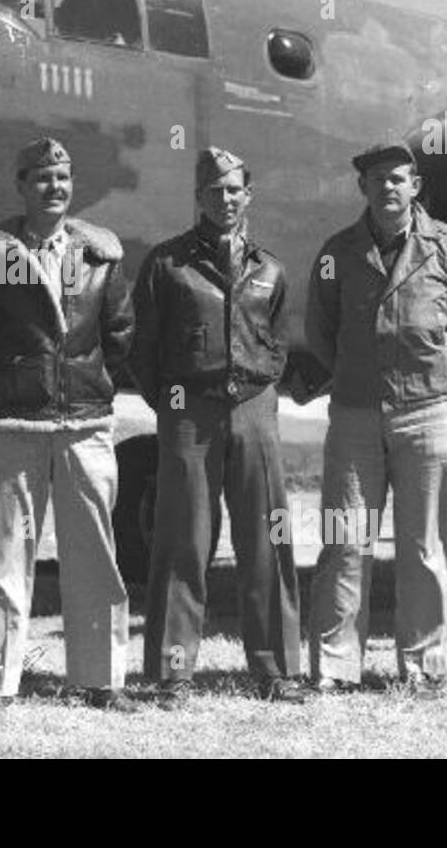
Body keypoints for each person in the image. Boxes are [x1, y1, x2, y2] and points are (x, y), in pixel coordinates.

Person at [306, 141, 447, 694]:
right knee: (344, 540)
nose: (388, 188)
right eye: (377, 180)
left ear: (416, 185)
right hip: (354, 414)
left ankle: (424, 667)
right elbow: (322, 332)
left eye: (398, 178)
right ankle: (336, 667)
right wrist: (360, 371)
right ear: (361, 188)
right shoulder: (337, 252)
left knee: (426, 544)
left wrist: (436, 376)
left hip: (429, 412)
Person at [0, 137, 136, 712]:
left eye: (63, 177)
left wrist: (88, 388)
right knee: (3, 562)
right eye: (41, 179)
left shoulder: (100, 254)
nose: (54, 188)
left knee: (95, 561)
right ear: (20, 186)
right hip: (12, 424)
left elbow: (120, 337)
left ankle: (102, 680)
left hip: (84, 424)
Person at [130, 147, 304, 708]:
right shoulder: (167, 264)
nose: (224, 201)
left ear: (246, 195)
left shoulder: (270, 268)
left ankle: (276, 671)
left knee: (268, 539)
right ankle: (172, 673)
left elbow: (277, 341)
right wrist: (175, 403)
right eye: (212, 192)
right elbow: (144, 350)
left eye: (233, 191)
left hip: (255, 409)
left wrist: (258, 385)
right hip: (189, 413)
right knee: (182, 541)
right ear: (198, 197)